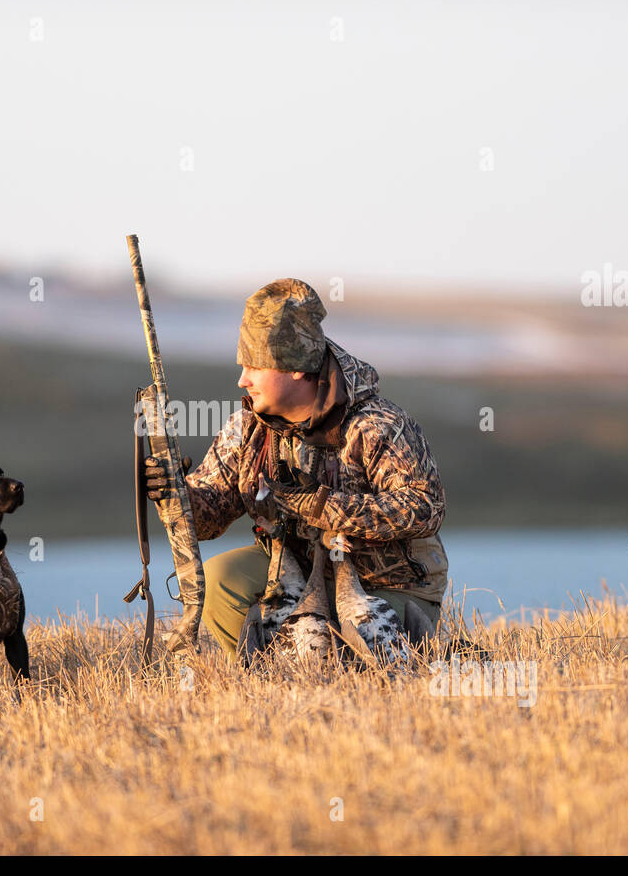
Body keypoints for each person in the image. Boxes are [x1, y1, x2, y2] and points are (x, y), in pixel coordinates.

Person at [145, 278, 449, 657]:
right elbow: (206, 520)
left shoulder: (377, 424)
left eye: (255, 365)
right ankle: (278, 673)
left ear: (295, 368)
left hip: (385, 583)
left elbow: (423, 508)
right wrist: (174, 494)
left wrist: (320, 507)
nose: (243, 379)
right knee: (223, 581)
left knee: (359, 654)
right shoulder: (247, 429)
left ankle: (397, 651)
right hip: (292, 575)